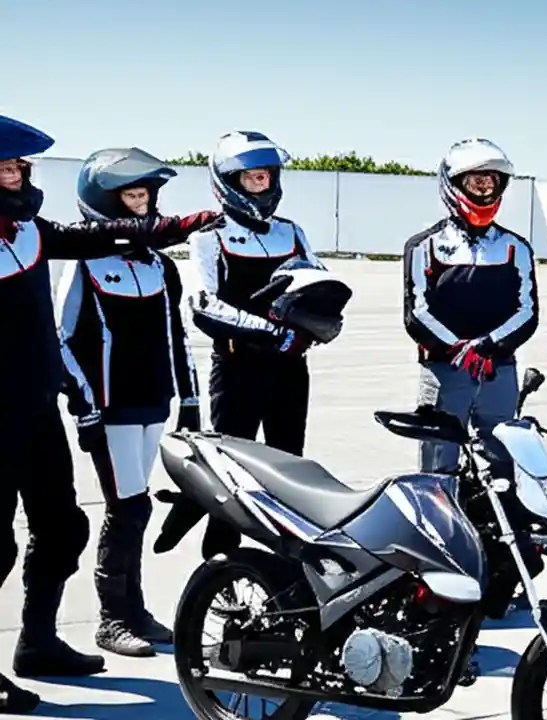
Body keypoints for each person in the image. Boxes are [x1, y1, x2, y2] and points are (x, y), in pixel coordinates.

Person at [0, 114, 217, 714]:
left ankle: (37, 643)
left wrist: (179, 224)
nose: (17, 177)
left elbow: (93, 236)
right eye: (6, 167)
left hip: (38, 409)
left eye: (20, 167)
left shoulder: (28, 232)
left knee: (63, 527)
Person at [55, 147, 202, 659]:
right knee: (128, 508)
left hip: (152, 403)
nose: (142, 205)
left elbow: (175, 335)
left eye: (146, 195)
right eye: (131, 195)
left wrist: (191, 400)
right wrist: (87, 407)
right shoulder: (84, 263)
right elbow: (63, 339)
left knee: (134, 507)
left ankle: (134, 611)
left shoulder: (160, 264)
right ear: (103, 202)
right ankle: (112, 619)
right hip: (111, 409)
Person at [186, 130, 326, 558]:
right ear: (228, 182)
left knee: (290, 470)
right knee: (229, 476)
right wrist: (270, 332)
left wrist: (317, 324)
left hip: (289, 368)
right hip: (236, 370)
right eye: (251, 178)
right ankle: (219, 579)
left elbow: (318, 285)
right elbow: (204, 304)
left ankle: (291, 569)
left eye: (266, 177)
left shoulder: (292, 232)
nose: (261, 185)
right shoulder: (209, 237)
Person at [402, 138, 537, 473]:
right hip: (444, 370)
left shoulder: (515, 247)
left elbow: (528, 312)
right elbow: (416, 313)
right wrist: (460, 350)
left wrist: (488, 347)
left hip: (498, 371)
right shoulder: (424, 246)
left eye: (492, 181)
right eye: (477, 181)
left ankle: (498, 527)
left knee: (502, 464)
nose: (485, 189)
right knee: (437, 466)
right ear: (454, 184)